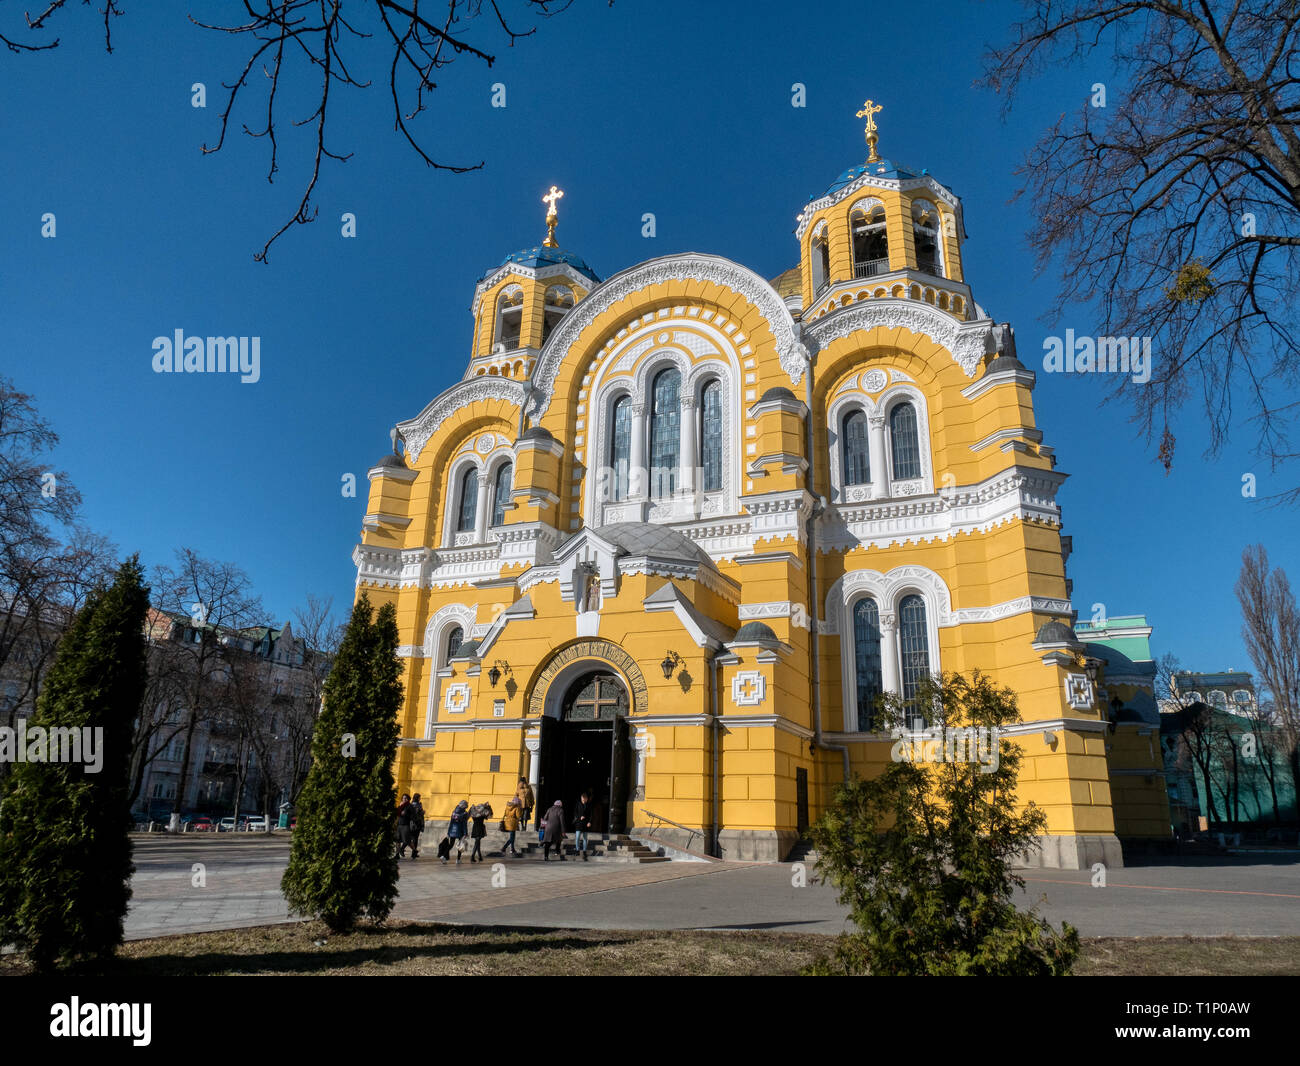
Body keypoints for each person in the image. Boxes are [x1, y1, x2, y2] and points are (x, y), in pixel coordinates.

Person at [446, 800, 469, 864]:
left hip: (452, 830)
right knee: (460, 845)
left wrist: (448, 832)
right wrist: (465, 833)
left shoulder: (453, 812)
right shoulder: (464, 813)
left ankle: (444, 856)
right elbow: (464, 824)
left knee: (451, 845)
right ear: (464, 806)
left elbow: (451, 822)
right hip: (460, 831)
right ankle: (458, 860)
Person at [573, 790, 591, 861]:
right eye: (582, 799)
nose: (583, 800)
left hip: (586, 824)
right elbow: (575, 813)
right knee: (577, 837)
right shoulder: (578, 804)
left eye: (584, 799)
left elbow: (590, 815)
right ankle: (577, 850)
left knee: (585, 838)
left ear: (587, 799)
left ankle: (584, 851)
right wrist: (579, 817)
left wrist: (589, 822)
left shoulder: (589, 805)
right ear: (581, 798)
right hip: (579, 824)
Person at [395, 793, 412, 859]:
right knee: (397, 840)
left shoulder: (409, 806)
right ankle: (397, 854)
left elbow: (410, 815)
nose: (404, 799)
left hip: (405, 825)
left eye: (405, 798)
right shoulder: (401, 805)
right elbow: (397, 813)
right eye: (403, 798)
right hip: (399, 824)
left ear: (408, 799)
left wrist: (405, 814)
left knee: (407, 840)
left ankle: (414, 851)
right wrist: (399, 807)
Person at [409, 793, 425, 858]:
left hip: (414, 823)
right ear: (417, 798)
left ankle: (414, 853)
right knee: (414, 838)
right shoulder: (417, 805)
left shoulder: (411, 804)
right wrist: (422, 812)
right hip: (416, 823)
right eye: (419, 797)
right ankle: (413, 852)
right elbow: (417, 813)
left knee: (414, 838)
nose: (420, 799)